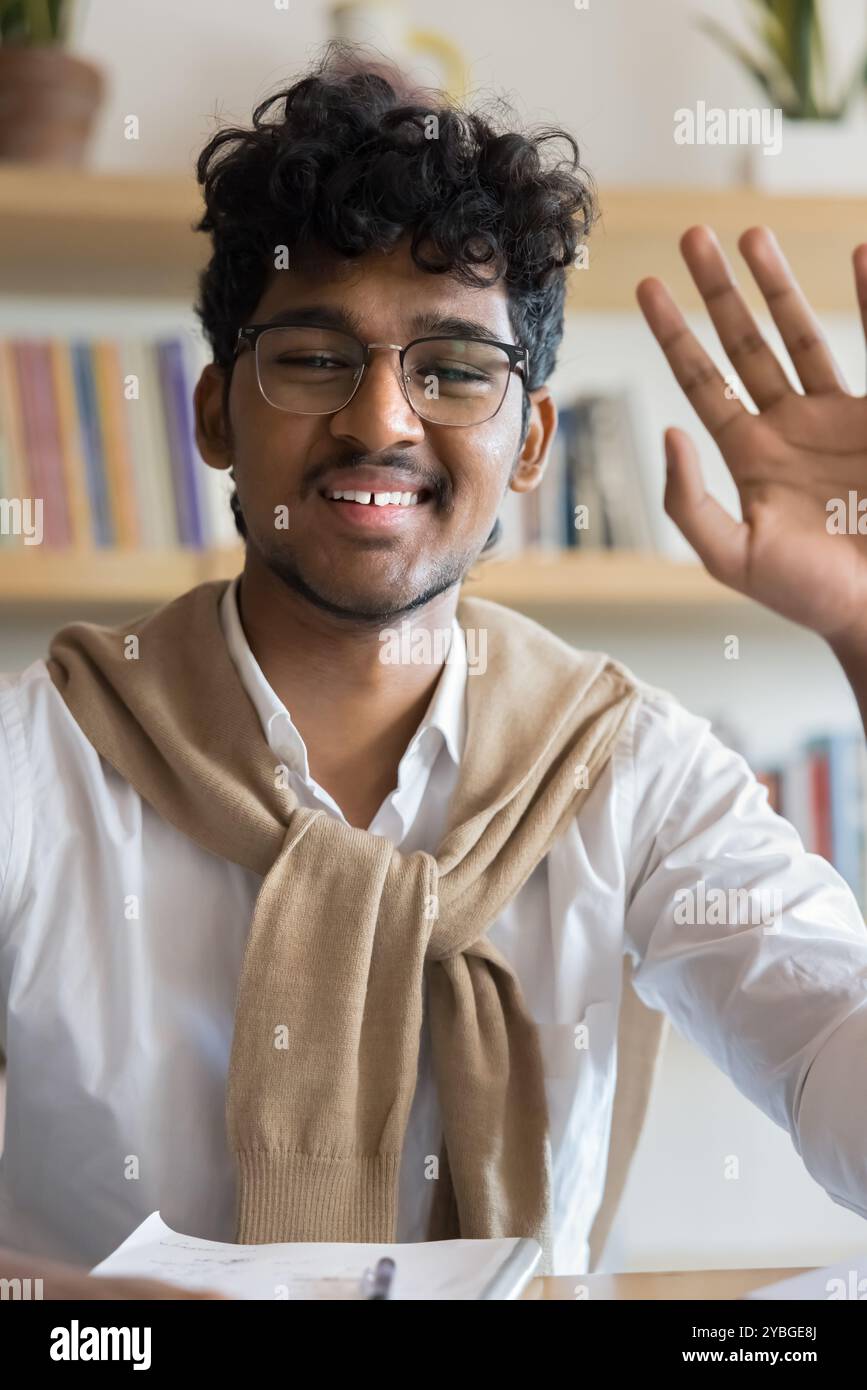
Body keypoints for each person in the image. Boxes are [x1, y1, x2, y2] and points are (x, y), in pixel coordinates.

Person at [1, 47, 865, 1298]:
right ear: (214, 415)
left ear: (530, 442)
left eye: (455, 369)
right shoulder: (34, 767)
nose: (383, 422)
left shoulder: (632, 771)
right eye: (312, 357)